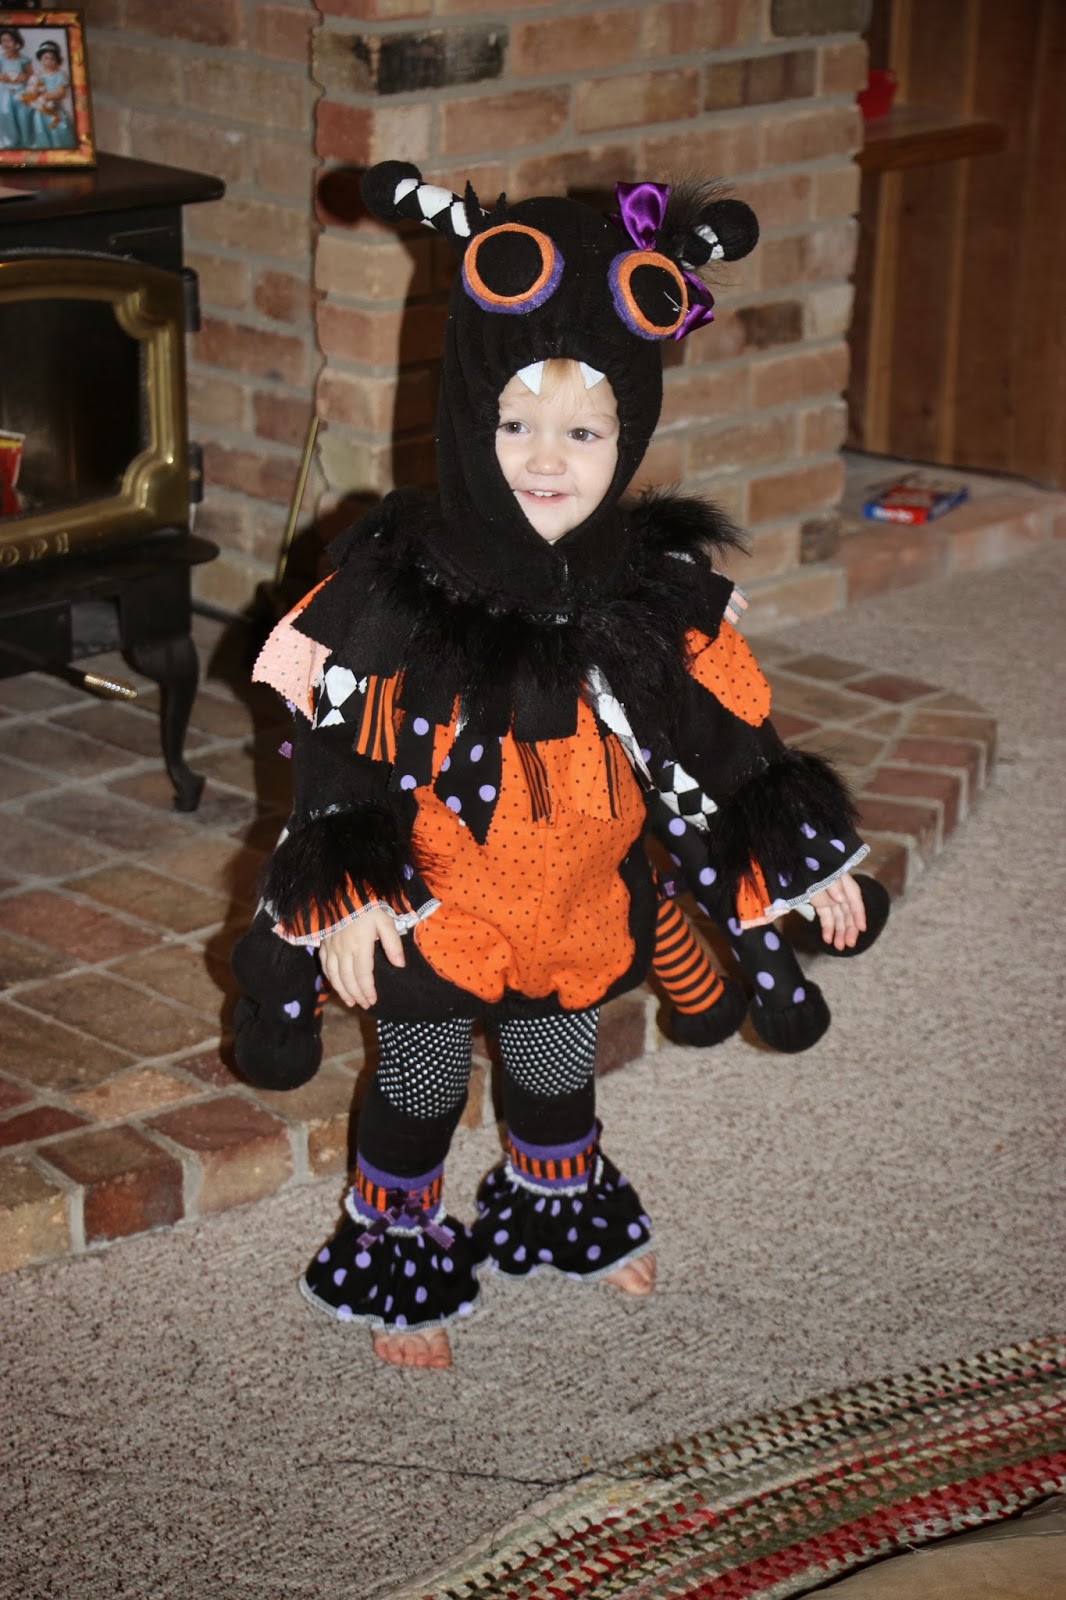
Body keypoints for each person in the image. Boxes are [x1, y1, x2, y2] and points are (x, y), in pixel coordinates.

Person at [232, 161, 875, 1371]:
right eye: (515, 423)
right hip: (435, 899)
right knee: (420, 1085)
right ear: (468, 420)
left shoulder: (649, 592)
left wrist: (802, 858)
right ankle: (397, 1249)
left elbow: (725, 741)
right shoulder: (403, 591)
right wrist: (347, 891)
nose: (546, 459)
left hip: (576, 898)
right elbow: (339, 747)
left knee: (555, 1068)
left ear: (628, 435)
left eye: (582, 431)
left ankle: (557, 1207)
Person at [22, 40, 76, 152]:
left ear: (57, 61)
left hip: (54, 110)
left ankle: (61, 150)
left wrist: (47, 96)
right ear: (40, 60)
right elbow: (32, 90)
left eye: (52, 59)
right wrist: (34, 93)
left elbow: (61, 93)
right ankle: (44, 151)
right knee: (40, 130)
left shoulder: (59, 75)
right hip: (40, 111)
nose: (49, 62)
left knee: (58, 130)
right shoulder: (38, 76)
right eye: (45, 58)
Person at [0, 27, 32, 151]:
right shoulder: (1, 58)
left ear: (16, 42)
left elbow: (30, 75)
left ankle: (25, 141)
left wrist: (23, 77)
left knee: (23, 115)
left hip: (21, 91)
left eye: (9, 40)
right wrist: (3, 77)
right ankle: (9, 141)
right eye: (3, 41)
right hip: (5, 92)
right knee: (5, 112)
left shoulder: (24, 59)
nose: (6, 44)